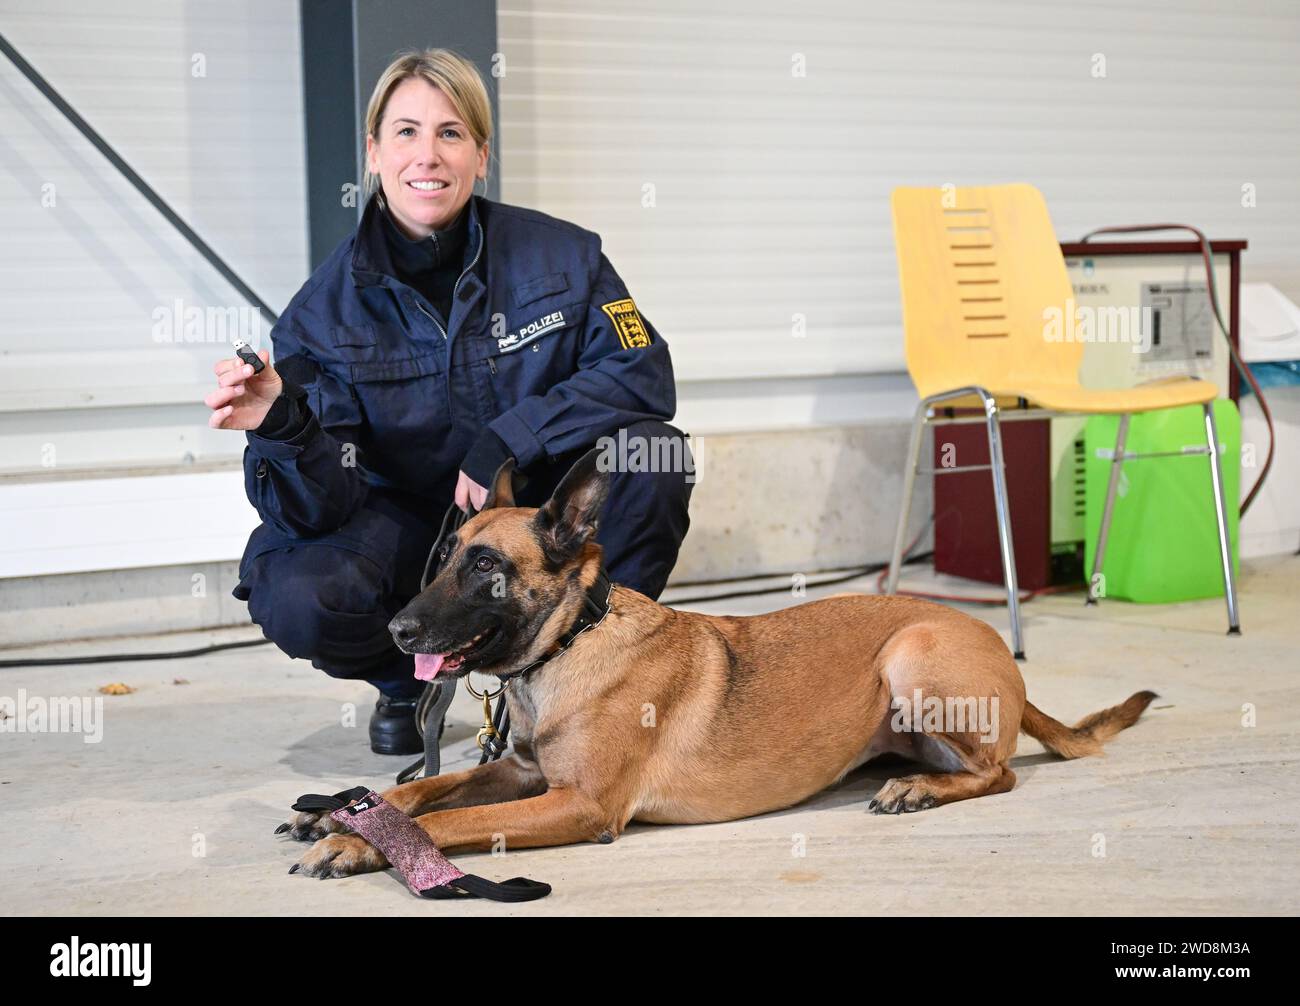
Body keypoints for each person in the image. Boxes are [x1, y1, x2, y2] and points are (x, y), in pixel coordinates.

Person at [204, 48, 693, 755]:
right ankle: (410, 676)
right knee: (300, 588)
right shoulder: (319, 316)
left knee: (653, 453)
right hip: (408, 530)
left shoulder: (565, 257)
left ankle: (595, 669)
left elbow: (643, 371)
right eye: (405, 132)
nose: (426, 155)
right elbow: (320, 508)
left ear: (482, 155)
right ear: (373, 152)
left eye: (450, 133)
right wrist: (283, 425)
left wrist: (513, 435)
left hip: (534, 516)